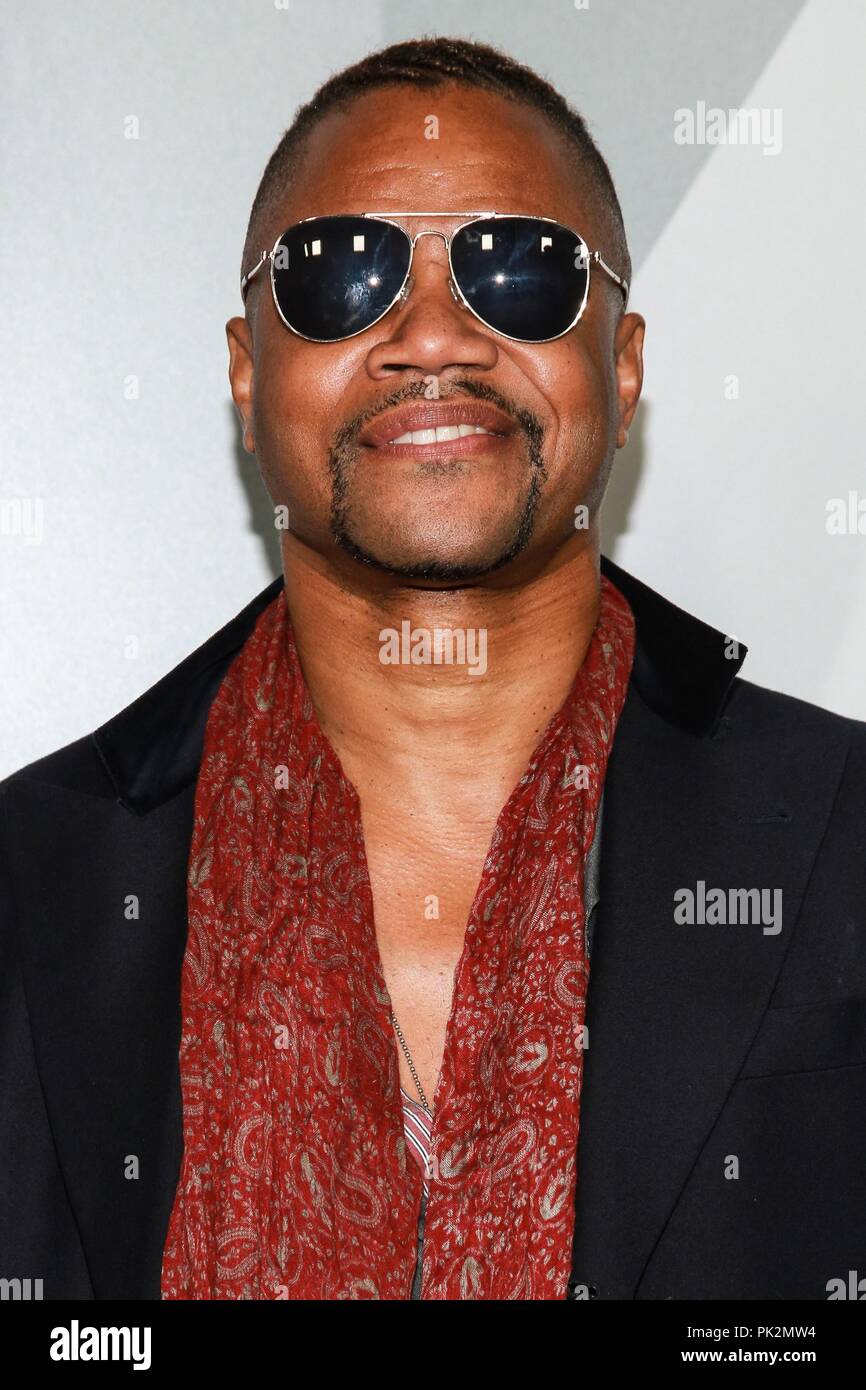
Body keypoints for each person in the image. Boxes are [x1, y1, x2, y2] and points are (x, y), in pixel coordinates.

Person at [1, 36, 864, 1302]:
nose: (430, 334)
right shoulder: (34, 878)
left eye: (518, 269)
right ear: (248, 378)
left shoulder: (842, 828)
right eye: (337, 275)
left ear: (621, 365)